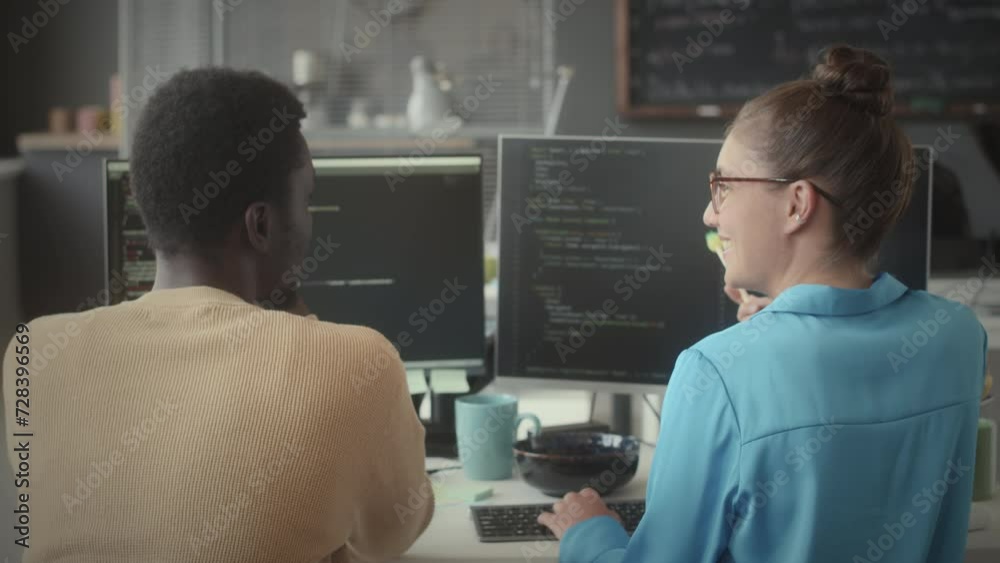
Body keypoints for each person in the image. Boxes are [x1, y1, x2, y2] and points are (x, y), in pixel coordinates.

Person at [538, 45, 988, 563]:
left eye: (723, 186)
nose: (710, 214)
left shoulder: (714, 373)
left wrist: (590, 533)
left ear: (797, 203)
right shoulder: (956, 337)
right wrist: (775, 326)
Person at [2, 68, 433, 562]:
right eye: (307, 200)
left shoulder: (31, 354)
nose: (310, 218)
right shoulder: (356, 362)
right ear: (262, 224)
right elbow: (397, 532)